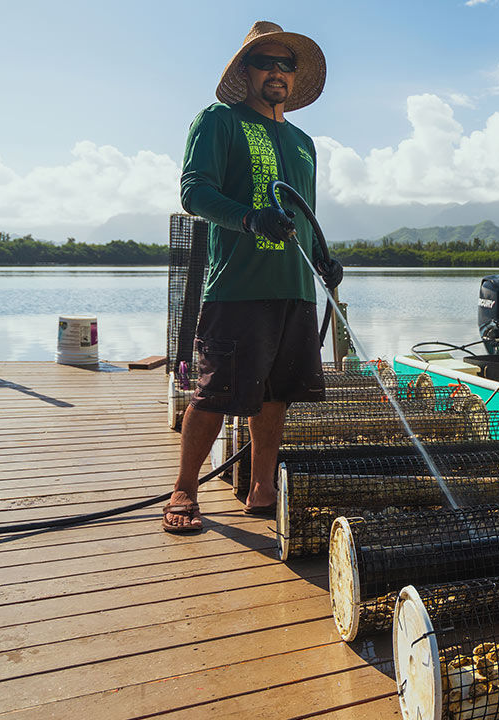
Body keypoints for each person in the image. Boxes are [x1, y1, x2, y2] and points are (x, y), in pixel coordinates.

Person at [165, 21, 343, 533]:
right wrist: (248, 217)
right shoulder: (219, 120)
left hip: (294, 288)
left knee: (276, 395)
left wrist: (324, 258)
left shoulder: (305, 142)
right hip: (237, 285)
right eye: (266, 62)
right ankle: (183, 488)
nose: (277, 72)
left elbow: (304, 213)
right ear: (245, 70)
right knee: (214, 393)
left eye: (286, 64)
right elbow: (194, 192)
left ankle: (262, 487)